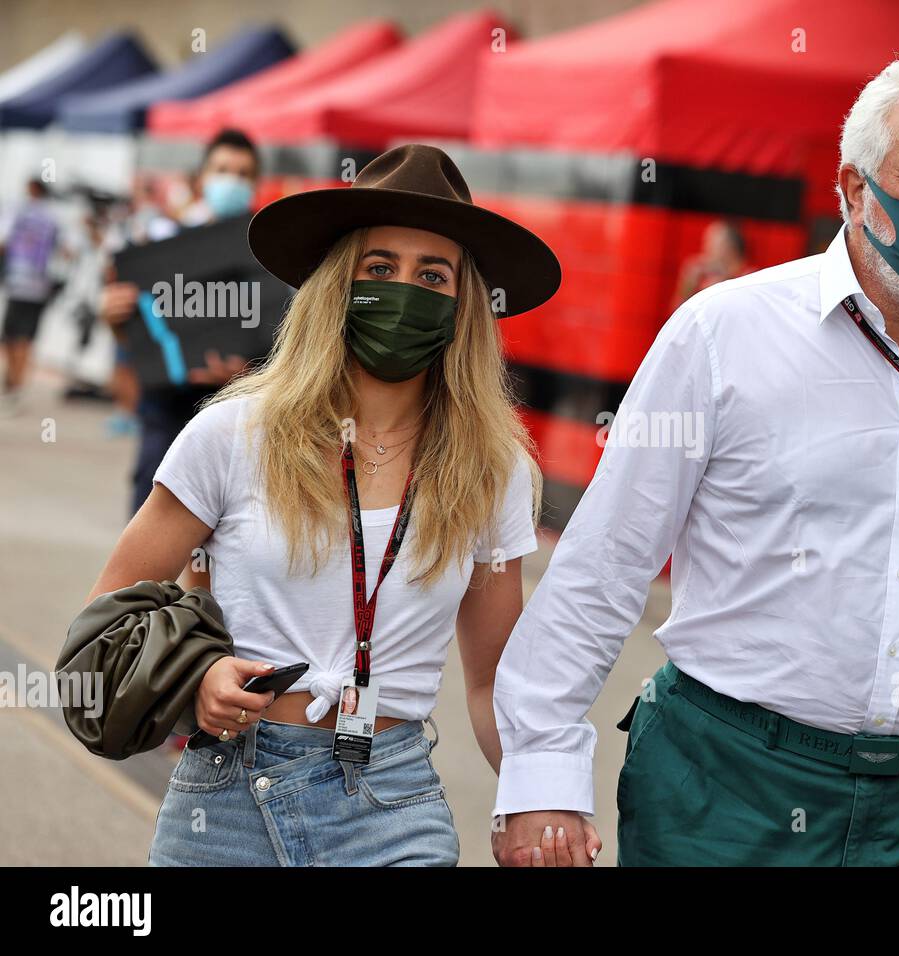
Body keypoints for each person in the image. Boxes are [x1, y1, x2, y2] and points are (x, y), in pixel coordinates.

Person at [492, 53, 899, 867]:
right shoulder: (724, 332)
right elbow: (608, 558)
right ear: (852, 189)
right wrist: (542, 776)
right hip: (725, 790)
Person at [84, 144, 594, 866]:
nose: (403, 289)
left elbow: (492, 681)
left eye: (433, 274)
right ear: (337, 285)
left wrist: (538, 798)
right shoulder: (234, 432)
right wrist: (196, 676)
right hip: (224, 800)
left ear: (464, 304)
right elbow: (112, 609)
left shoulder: (494, 467)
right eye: (379, 268)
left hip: (392, 808)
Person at [99, 128, 264, 514]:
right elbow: (135, 340)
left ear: (255, 183)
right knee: (151, 525)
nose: (232, 181)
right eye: (223, 170)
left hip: (239, 417)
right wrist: (116, 318)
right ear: (202, 177)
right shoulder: (160, 251)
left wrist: (249, 373)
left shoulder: (269, 256)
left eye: (242, 174)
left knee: (223, 543)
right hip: (166, 411)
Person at [0, 177, 63, 414]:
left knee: (11, 336)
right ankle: (17, 386)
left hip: (18, 282)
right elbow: (66, 251)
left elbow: (3, 241)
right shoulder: (54, 217)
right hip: (40, 286)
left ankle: (11, 385)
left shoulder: (19, 210)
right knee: (27, 338)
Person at [674, 218, 750, 305]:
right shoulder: (704, 273)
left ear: (730, 246)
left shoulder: (749, 276)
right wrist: (689, 282)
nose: (706, 247)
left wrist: (721, 284)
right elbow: (678, 311)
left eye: (711, 242)